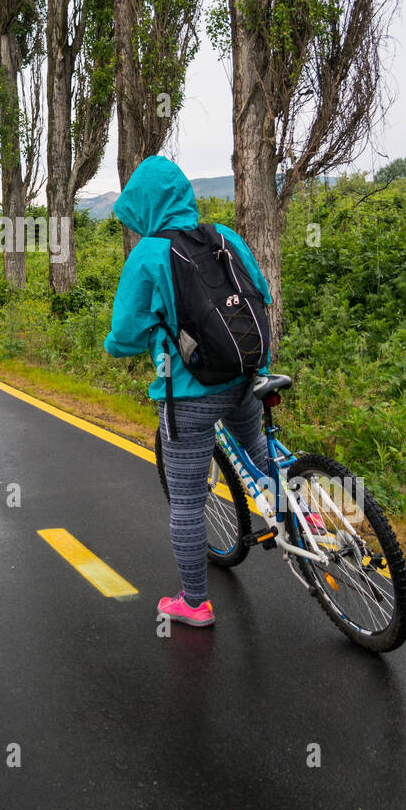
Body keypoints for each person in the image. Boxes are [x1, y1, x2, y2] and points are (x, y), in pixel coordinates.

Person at [103, 156, 273, 628]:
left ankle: (193, 603)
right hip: (247, 375)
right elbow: (263, 294)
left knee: (187, 503)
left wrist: (115, 345)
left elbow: (126, 334)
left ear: (144, 206)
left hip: (191, 396)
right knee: (258, 450)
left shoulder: (149, 254)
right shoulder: (224, 236)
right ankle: (304, 516)